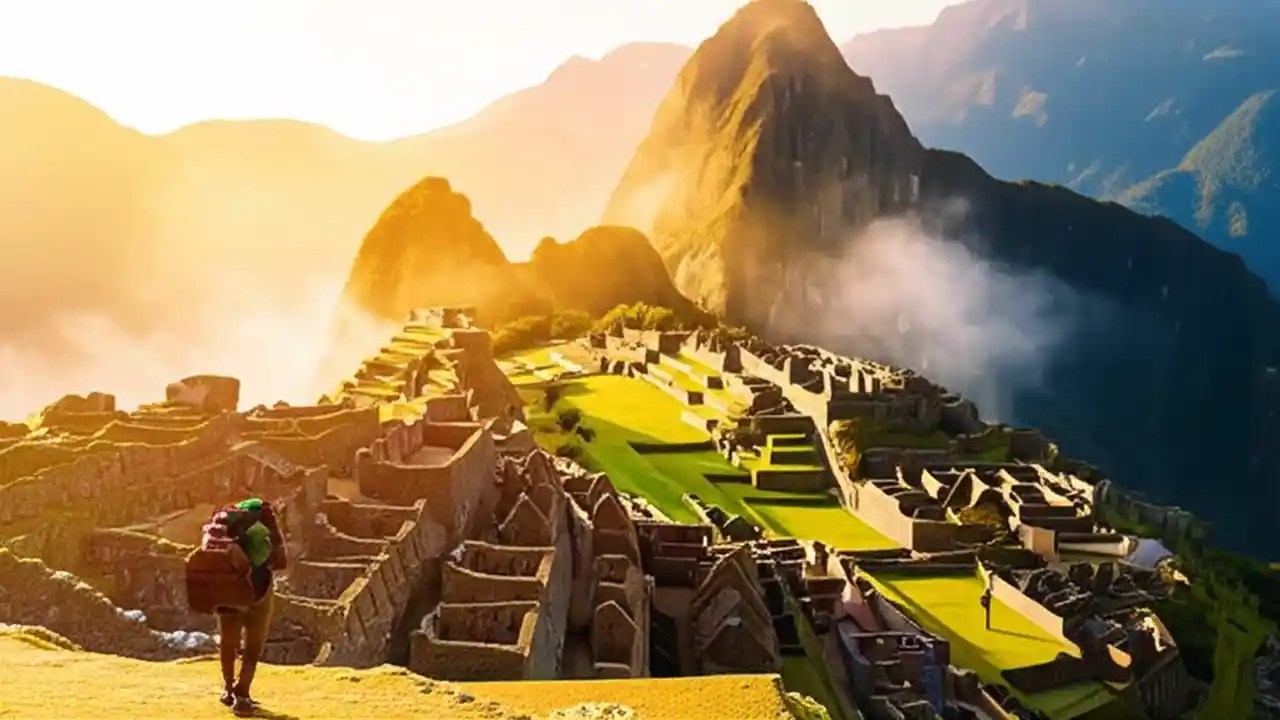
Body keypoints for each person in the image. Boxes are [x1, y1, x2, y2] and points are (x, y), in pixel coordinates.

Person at [216, 498, 288, 716]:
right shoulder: (267, 523)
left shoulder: (226, 526)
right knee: (253, 646)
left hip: (229, 592)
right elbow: (281, 561)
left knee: (228, 643)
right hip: (261, 590)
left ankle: (228, 689)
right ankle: (243, 694)